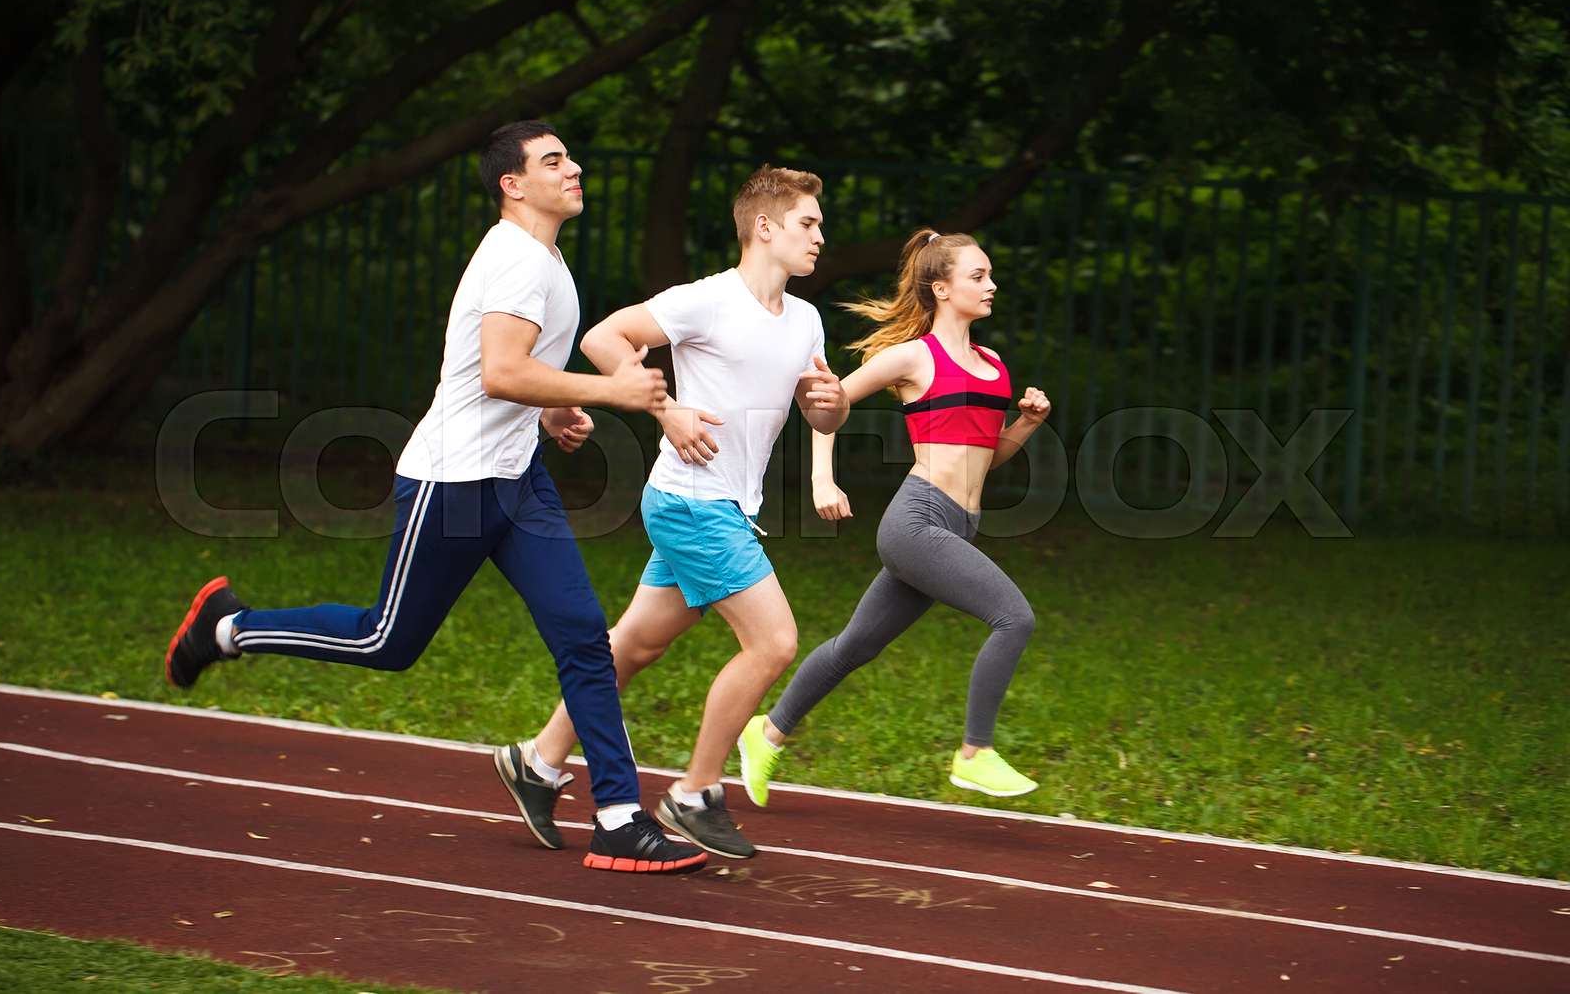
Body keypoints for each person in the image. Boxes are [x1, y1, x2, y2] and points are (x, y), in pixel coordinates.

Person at [163, 120, 708, 874]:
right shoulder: (516, 257)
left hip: (517, 481)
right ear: (512, 185)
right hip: (452, 483)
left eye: (571, 157)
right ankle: (227, 627)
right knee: (387, 640)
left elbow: (509, 371)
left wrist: (553, 411)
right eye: (555, 161)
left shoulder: (543, 258)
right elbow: (497, 372)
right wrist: (607, 388)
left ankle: (618, 817)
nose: (575, 168)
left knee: (584, 637)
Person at [492, 165, 847, 860]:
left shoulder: (805, 317)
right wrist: (667, 407)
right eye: (809, 222)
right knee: (773, 641)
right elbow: (604, 339)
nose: (820, 237)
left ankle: (536, 761)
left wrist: (825, 405)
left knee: (634, 645)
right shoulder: (707, 301)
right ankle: (695, 793)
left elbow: (815, 400)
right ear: (765, 227)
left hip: (727, 505)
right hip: (691, 501)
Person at [736, 228, 1051, 806]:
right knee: (1014, 618)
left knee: (855, 646)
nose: (991, 285)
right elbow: (827, 405)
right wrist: (821, 478)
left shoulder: (993, 364)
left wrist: (1026, 423)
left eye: (989, 275)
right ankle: (975, 754)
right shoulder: (912, 356)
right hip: (919, 521)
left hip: (959, 523)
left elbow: (988, 458)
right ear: (941, 288)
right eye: (978, 276)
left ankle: (767, 731)